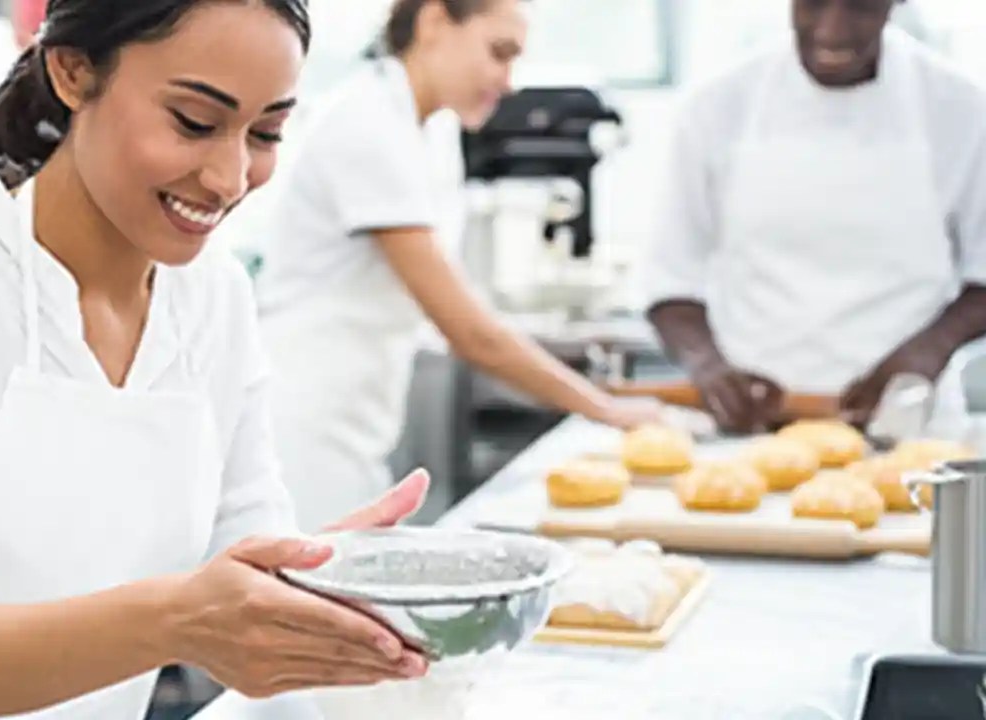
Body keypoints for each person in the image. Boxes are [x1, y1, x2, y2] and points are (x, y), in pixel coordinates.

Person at [0, 2, 434, 718]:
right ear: (72, 70)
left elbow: (249, 539)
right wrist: (176, 620)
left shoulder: (211, 298)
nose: (229, 177)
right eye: (193, 122)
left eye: (266, 132)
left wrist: (317, 585)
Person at [256, 0, 664, 530]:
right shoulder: (366, 124)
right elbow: (471, 334)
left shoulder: (432, 129)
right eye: (499, 53)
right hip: (304, 420)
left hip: (358, 416)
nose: (509, 81)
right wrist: (608, 410)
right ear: (433, 23)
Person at [643, 0, 986, 436]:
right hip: (753, 427)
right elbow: (670, 284)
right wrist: (709, 367)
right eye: (813, 3)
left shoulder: (961, 107)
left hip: (912, 426)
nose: (831, 31)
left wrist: (924, 354)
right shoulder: (717, 106)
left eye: (861, 7)